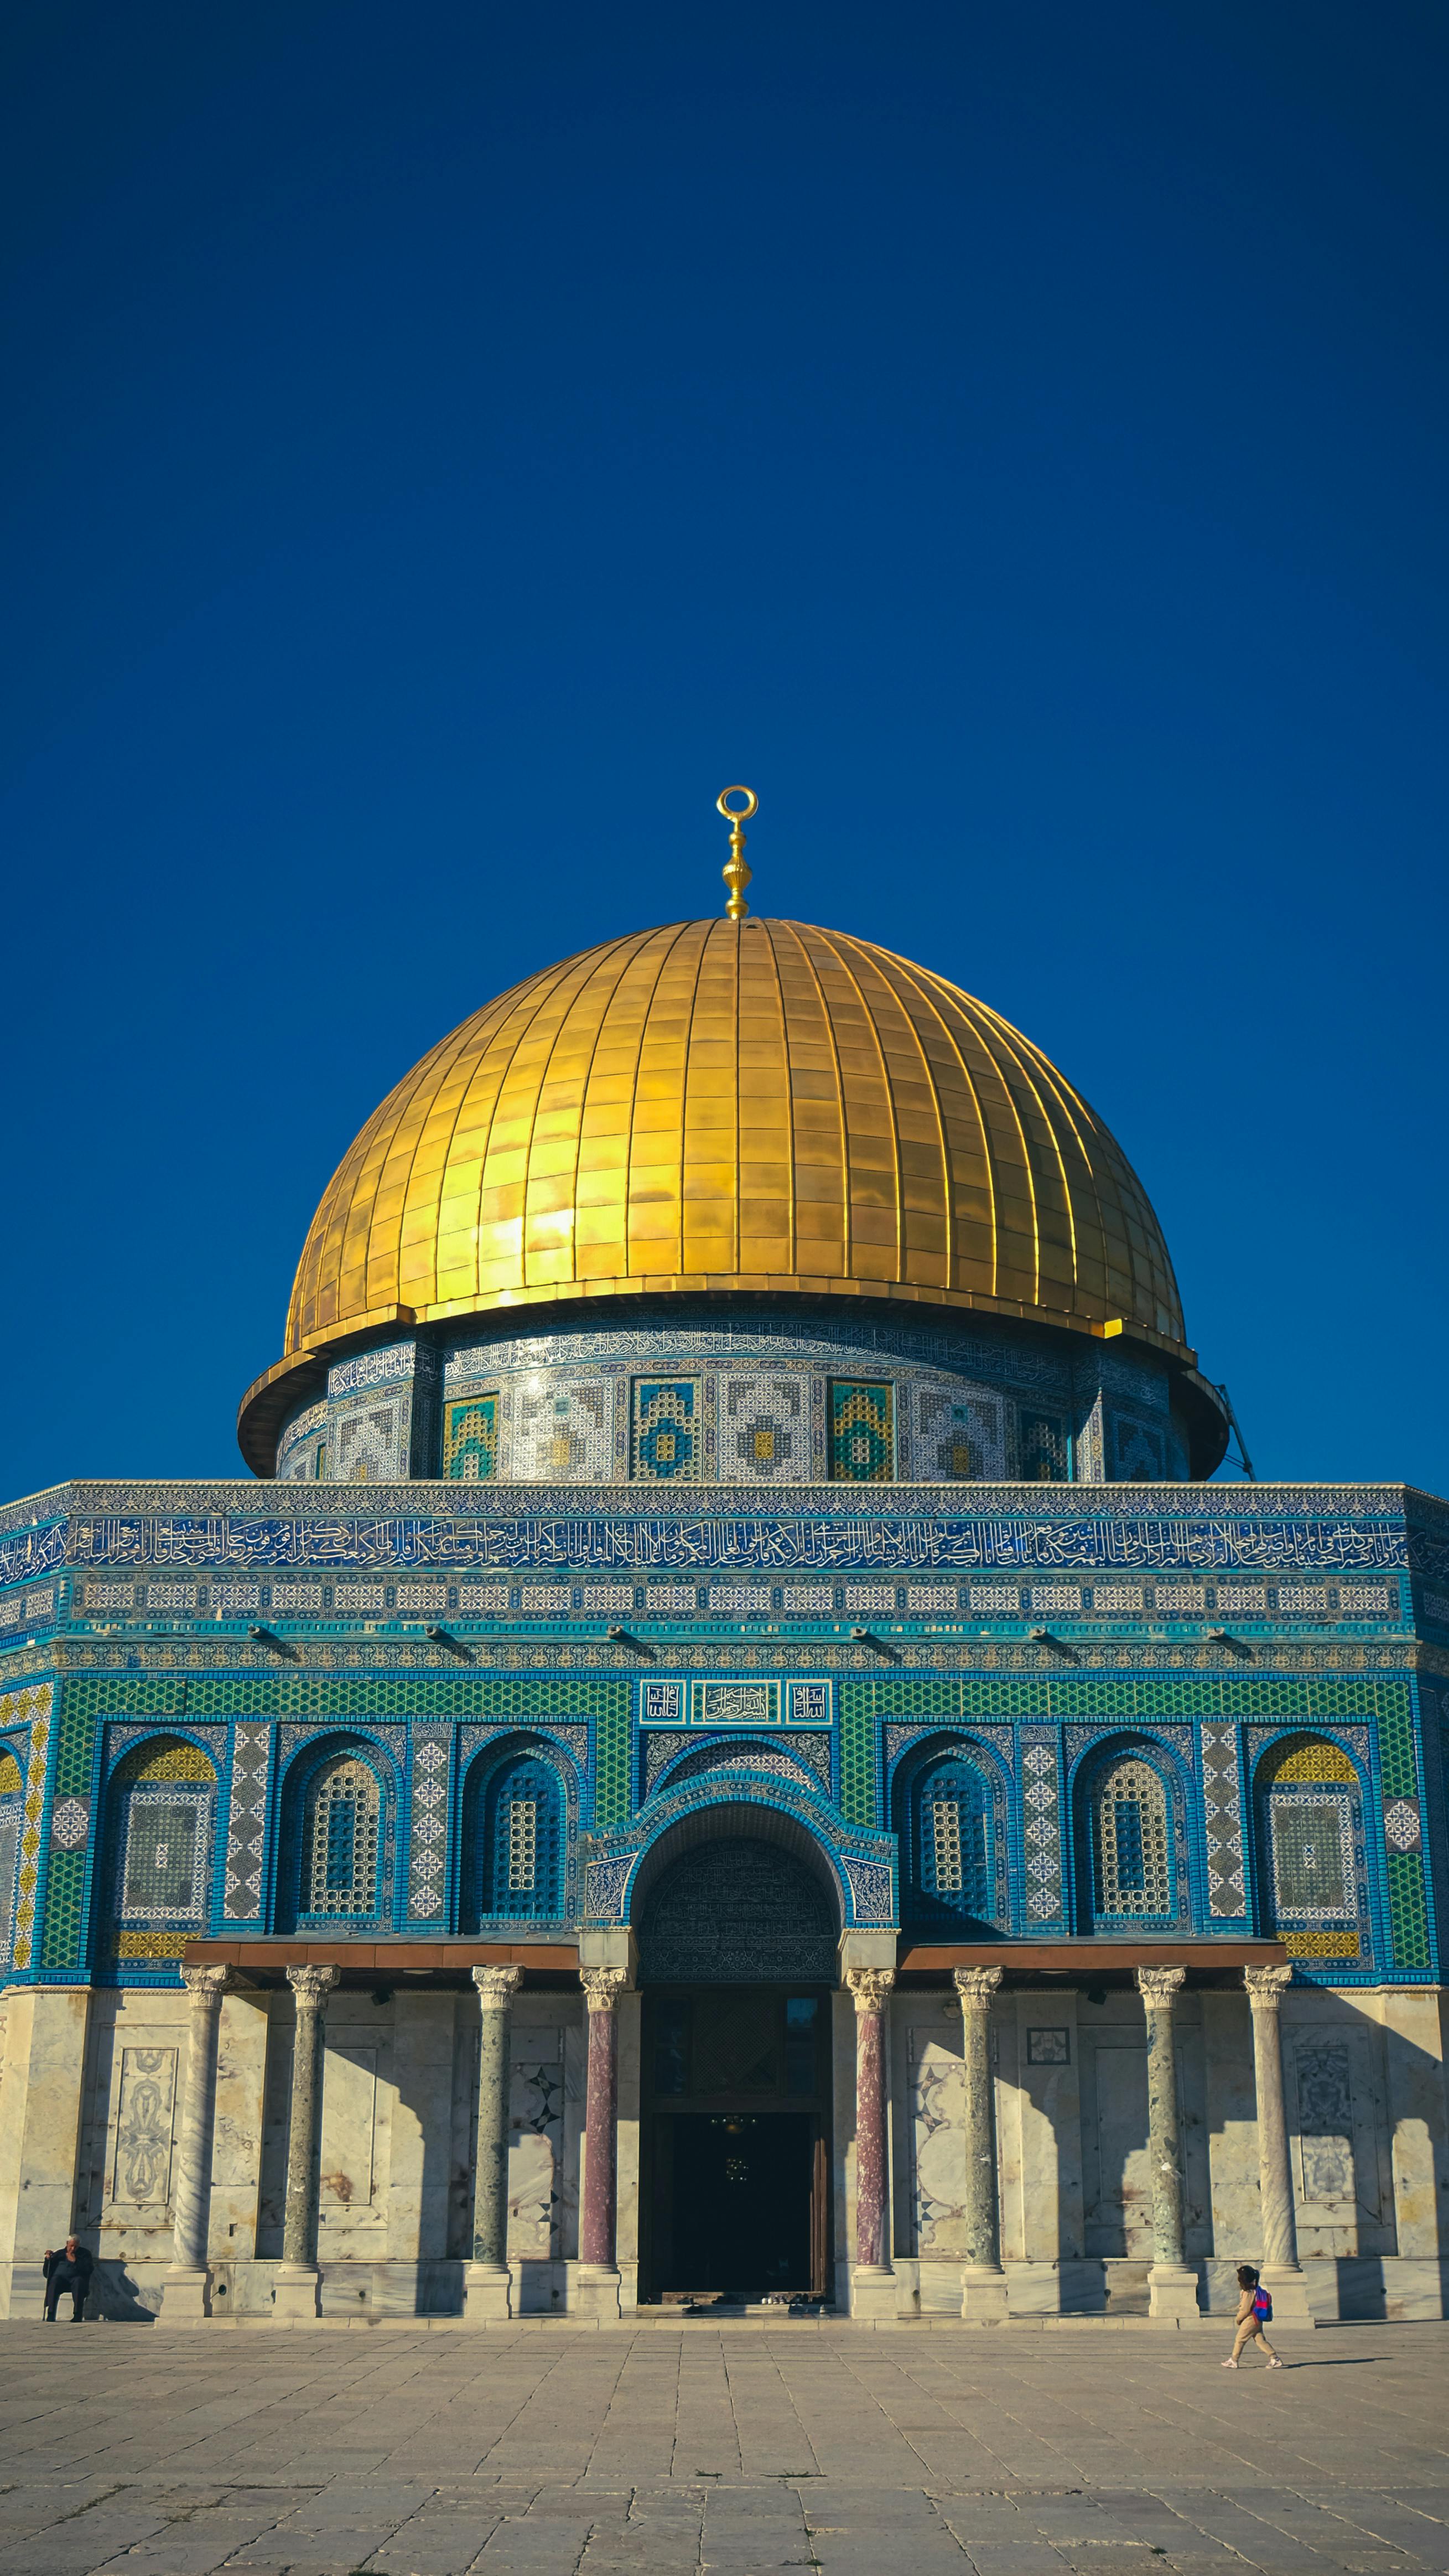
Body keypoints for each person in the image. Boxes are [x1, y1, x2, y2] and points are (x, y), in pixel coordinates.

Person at [1222, 2262, 1282, 2367]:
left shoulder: (1248, 2293)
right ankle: (1275, 2358)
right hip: (1257, 2320)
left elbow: (1245, 2310)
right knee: (1260, 2340)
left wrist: (1238, 2319)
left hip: (1251, 2319)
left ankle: (1234, 2360)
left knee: (1240, 2339)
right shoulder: (1255, 2290)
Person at [43, 2237, 94, 2323]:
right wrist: (48, 2260)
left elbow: (89, 2270)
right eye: (71, 2246)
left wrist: (75, 2261)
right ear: (67, 2244)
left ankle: (77, 2315)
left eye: (76, 2247)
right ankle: (51, 2314)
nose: (73, 2249)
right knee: (54, 2281)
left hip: (76, 2280)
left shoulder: (85, 2254)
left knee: (78, 2282)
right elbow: (47, 2273)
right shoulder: (59, 2254)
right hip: (61, 2281)